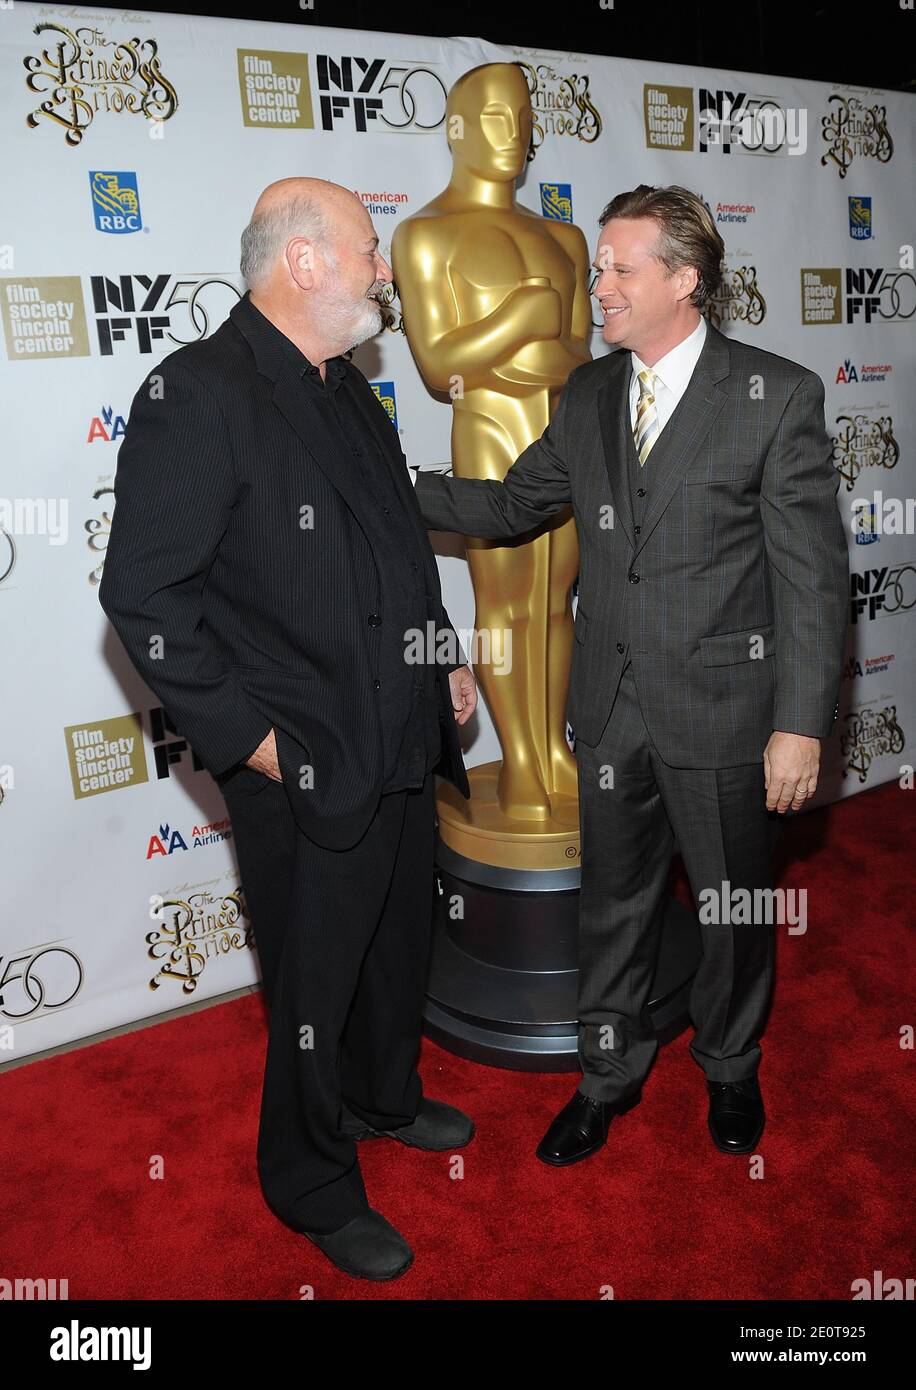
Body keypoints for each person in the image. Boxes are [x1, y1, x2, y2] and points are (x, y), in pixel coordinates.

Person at [411, 184, 848, 1165]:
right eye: (596, 265)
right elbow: (511, 504)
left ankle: (730, 1064)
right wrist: (379, 487)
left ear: (683, 281)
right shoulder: (590, 394)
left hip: (728, 716)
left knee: (732, 905)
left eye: (618, 268)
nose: (596, 285)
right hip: (608, 714)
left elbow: (813, 580)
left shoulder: (774, 397)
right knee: (612, 904)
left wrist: (800, 724)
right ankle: (606, 1077)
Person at [99, 177, 478, 1281]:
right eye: (368, 249)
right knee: (313, 984)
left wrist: (440, 649)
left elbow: (397, 543)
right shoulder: (197, 391)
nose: (384, 269)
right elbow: (145, 598)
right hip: (304, 754)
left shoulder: (347, 386)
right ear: (304, 261)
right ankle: (309, 1179)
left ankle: (381, 1098)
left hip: (400, 726)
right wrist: (258, 747)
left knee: (398, 943)